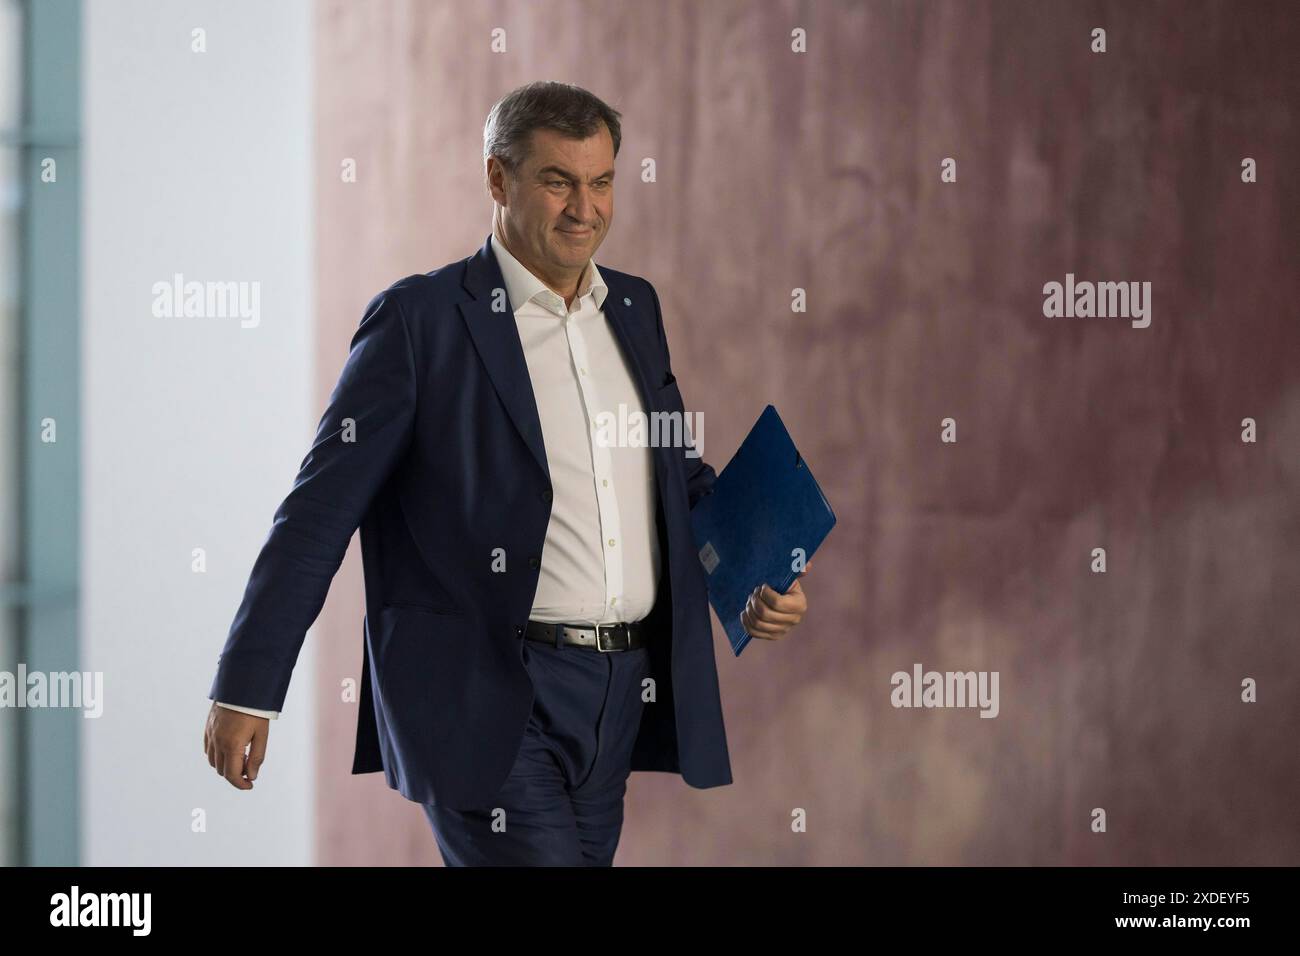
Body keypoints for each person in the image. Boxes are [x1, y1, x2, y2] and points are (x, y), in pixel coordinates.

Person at [202, 80, 812, 865]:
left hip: (620, 694)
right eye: (557, 181)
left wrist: (758, 579)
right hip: (485, 696)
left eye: (601, 182)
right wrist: (248, 684)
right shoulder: (420, 323)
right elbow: (317, 513)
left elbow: (676, 477)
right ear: (499, 179)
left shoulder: (634, 308)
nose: (583, 208)